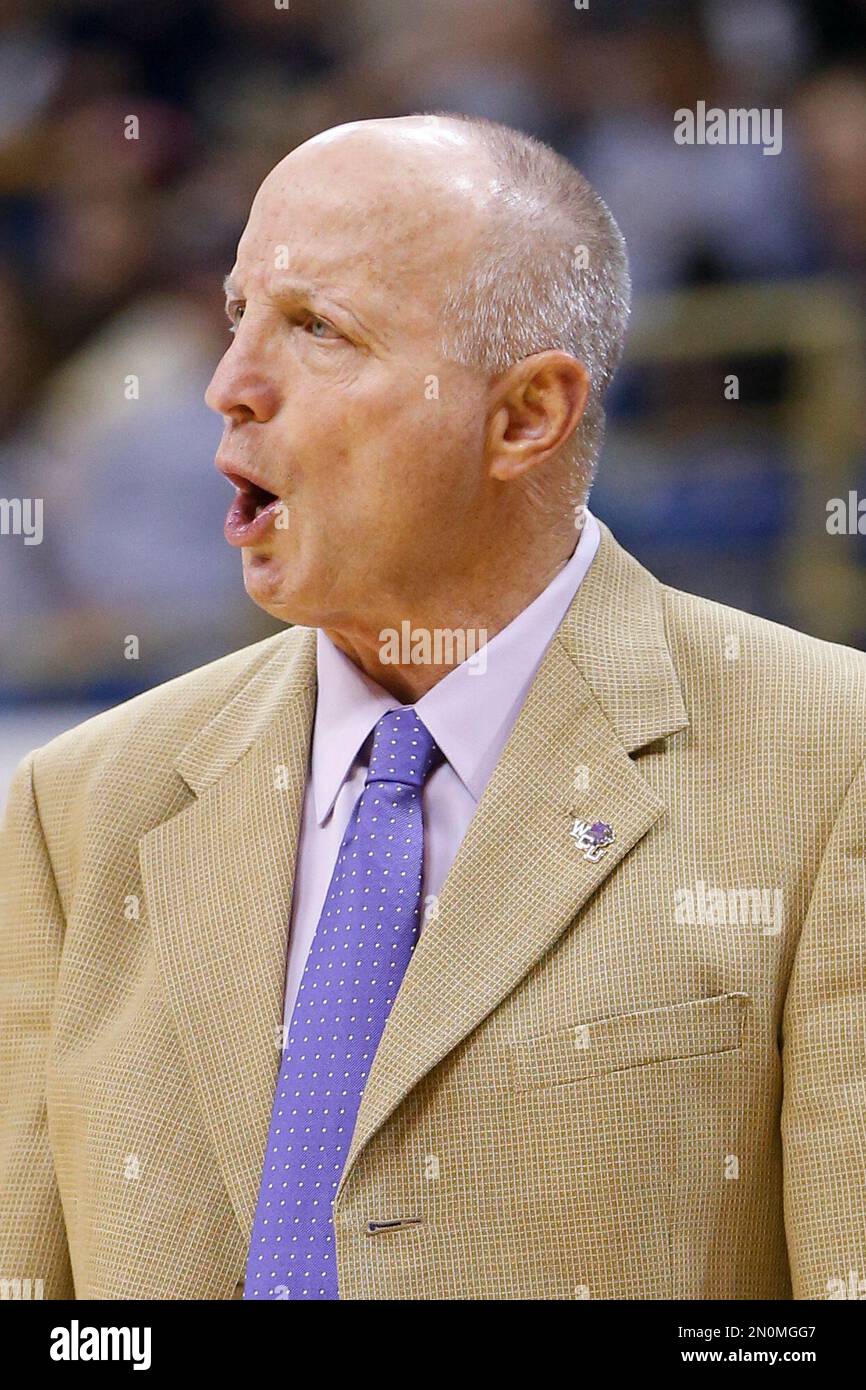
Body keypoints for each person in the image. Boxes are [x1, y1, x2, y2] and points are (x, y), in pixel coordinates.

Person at [1, 113, 864, 1301]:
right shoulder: (76, 804)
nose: (227, 386)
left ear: (524, 417)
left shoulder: (830, 764)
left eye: (315, 329)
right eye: (237, 315)